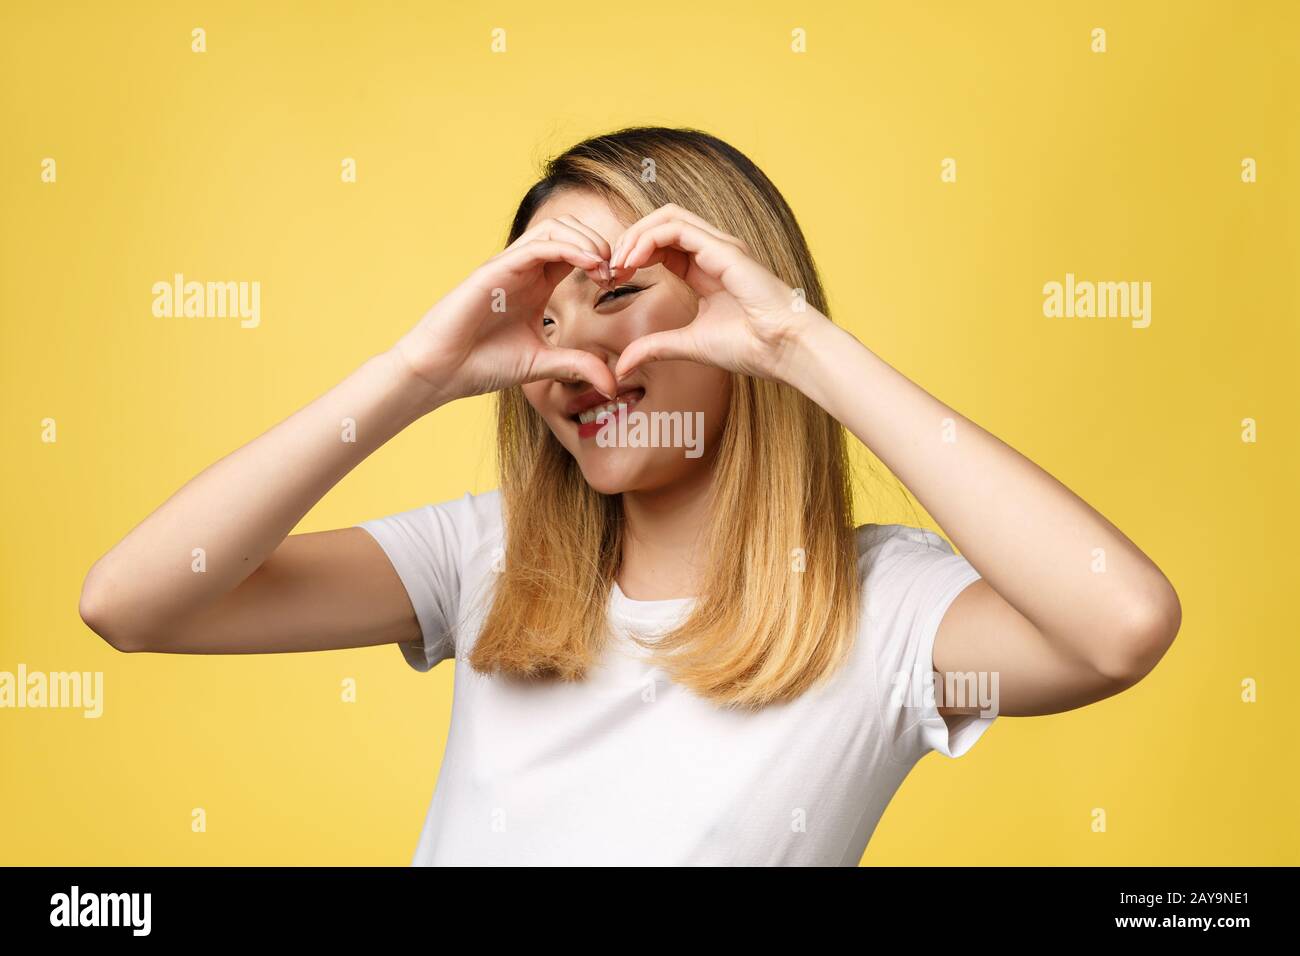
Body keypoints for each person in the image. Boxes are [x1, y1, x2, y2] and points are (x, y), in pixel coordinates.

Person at [79, 126, 1181, 865]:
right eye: (543, 317)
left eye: (617, 296)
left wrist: (799, 342)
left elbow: (1119, 621)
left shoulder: (881, 606)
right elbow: (133, 603)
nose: (575, 357)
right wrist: (415, 371)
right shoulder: (488, 557)